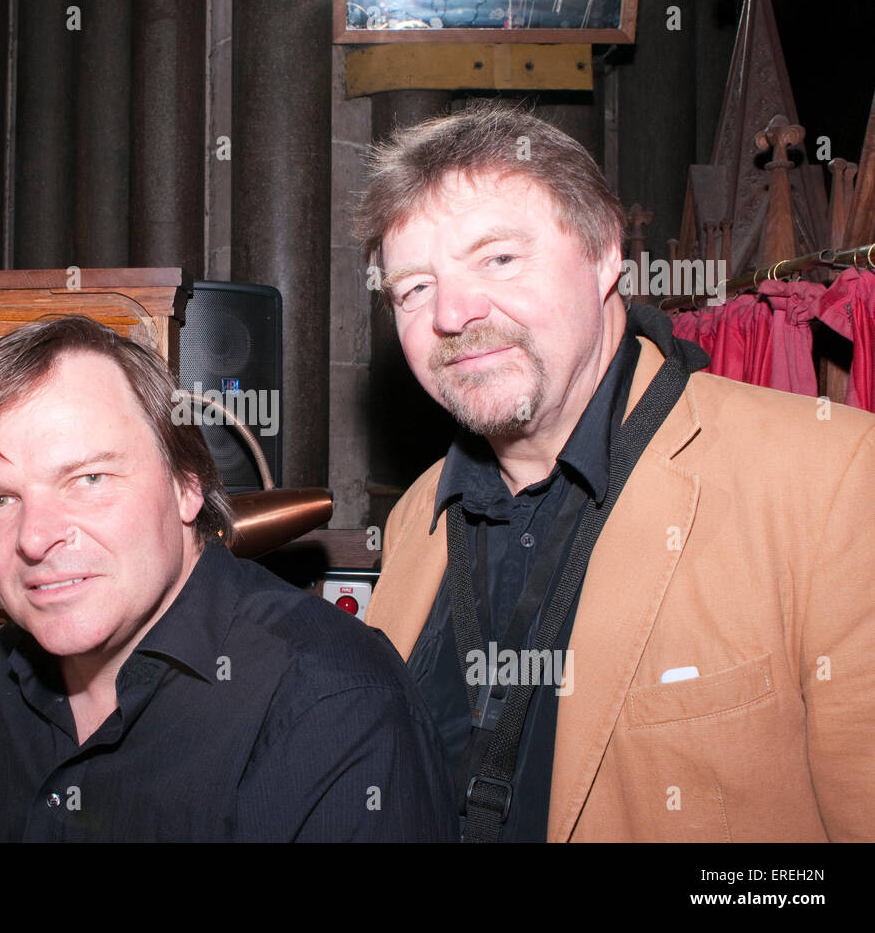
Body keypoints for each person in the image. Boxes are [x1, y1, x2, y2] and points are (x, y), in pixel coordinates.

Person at [355, 103, 875, 842]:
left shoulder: (832, 480)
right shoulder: (414, 520)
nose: (453, 312)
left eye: (498, 259)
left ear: (604, 252)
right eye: (413, 288)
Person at [0, 315, 455, 841]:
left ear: (188, 486)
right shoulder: (9, 670)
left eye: (89, 478)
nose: (33, 537)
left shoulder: (338, 705)